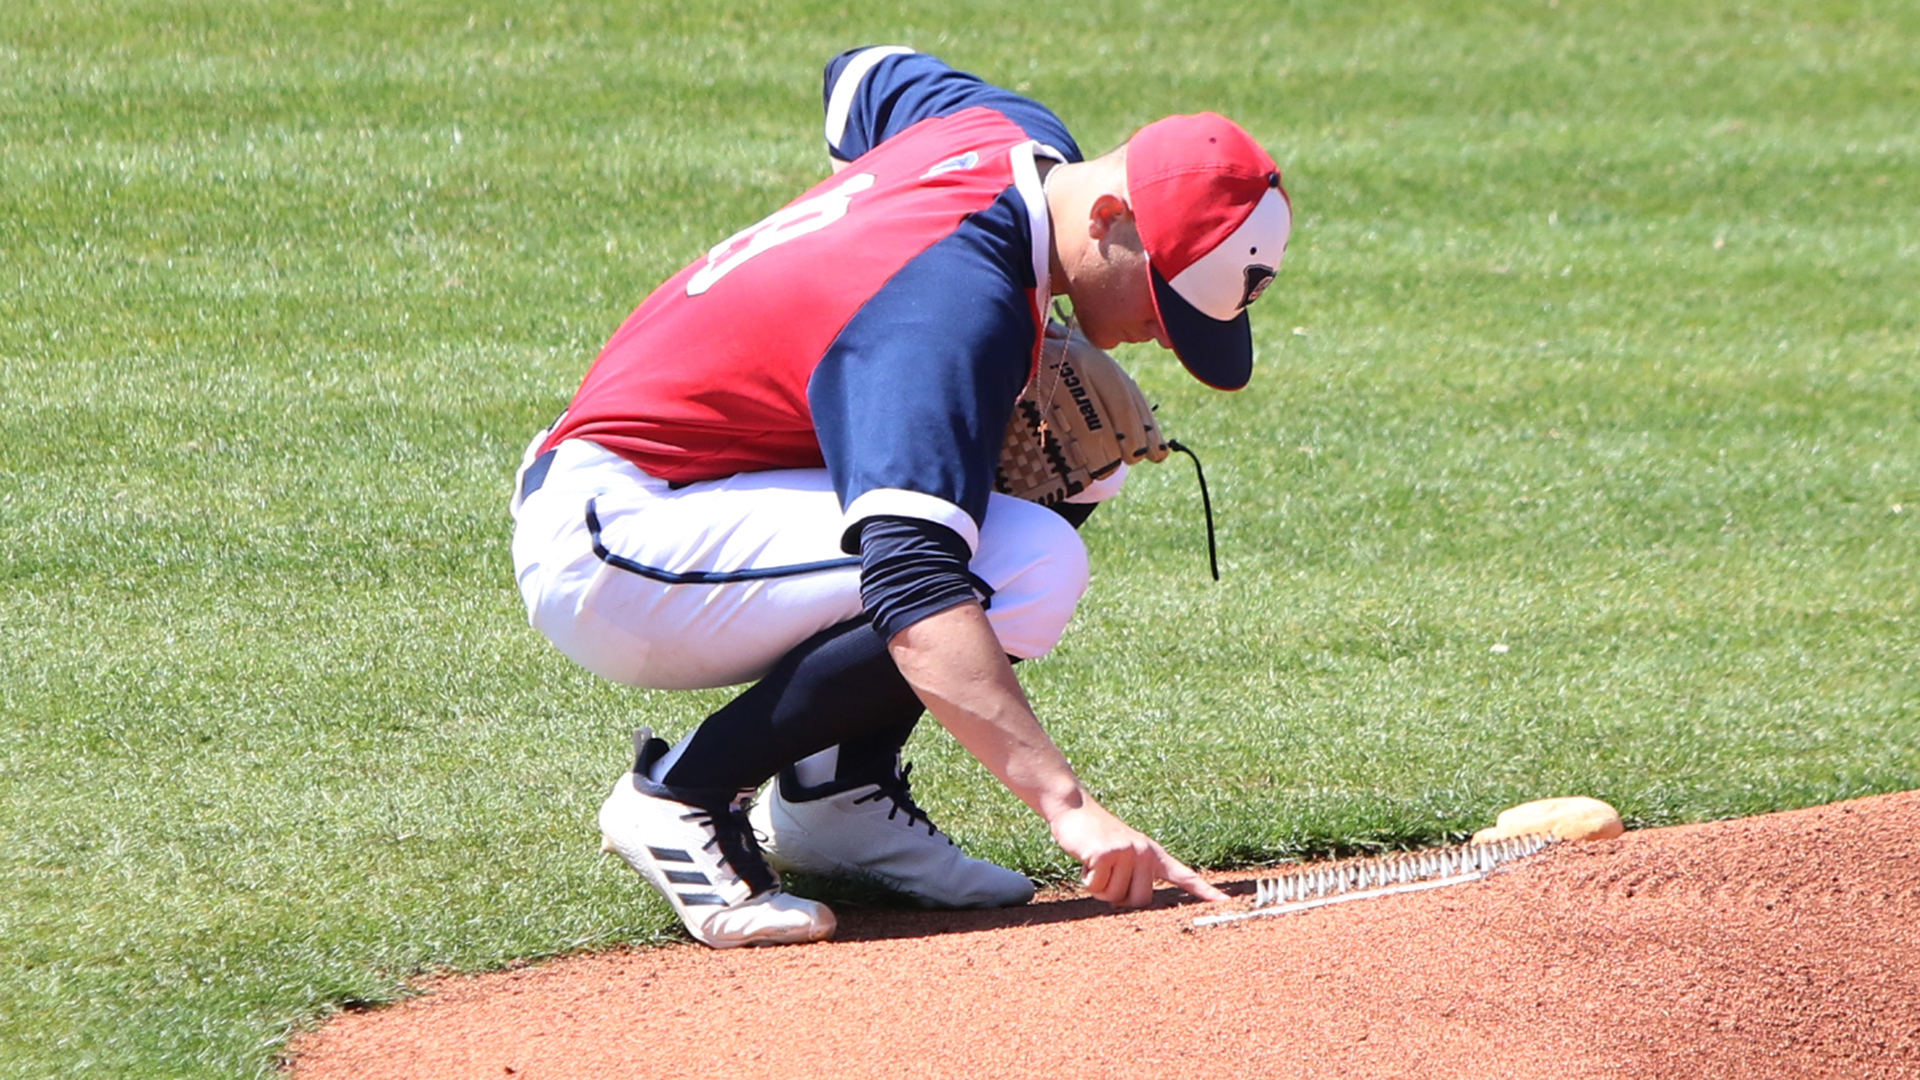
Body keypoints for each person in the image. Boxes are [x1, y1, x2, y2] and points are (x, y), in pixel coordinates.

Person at [509, 46, 1292, 948]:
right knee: (1018, 565)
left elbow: (864, 74)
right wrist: (1070, 808)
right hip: (618, 543)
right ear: (1109, 214)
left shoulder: (1012, 137)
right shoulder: (946, 311)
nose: (1161, 332)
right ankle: (682, 795)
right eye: (1161, 299)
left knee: (1066, 469)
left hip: (697, 487)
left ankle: (837, 795)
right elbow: (912, 589)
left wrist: (860, 238)